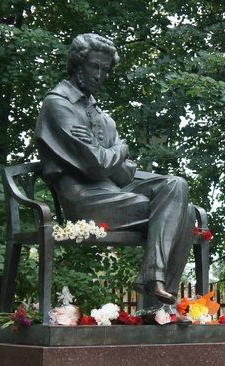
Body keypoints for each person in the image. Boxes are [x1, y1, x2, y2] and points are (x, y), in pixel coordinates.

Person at [35, 33, 198, 305]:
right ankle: (156, 299)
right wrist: (120, 149)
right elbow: (97, 165)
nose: (100, 75)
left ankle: (155, 289)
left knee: (177, 187)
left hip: (114, 191)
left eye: (105, 70)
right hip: (85, 201)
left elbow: (122, 173)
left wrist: (111, 156)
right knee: (182, 213)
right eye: (94, 67)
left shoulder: (100, 115)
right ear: (77, 63)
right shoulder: (58, 104)